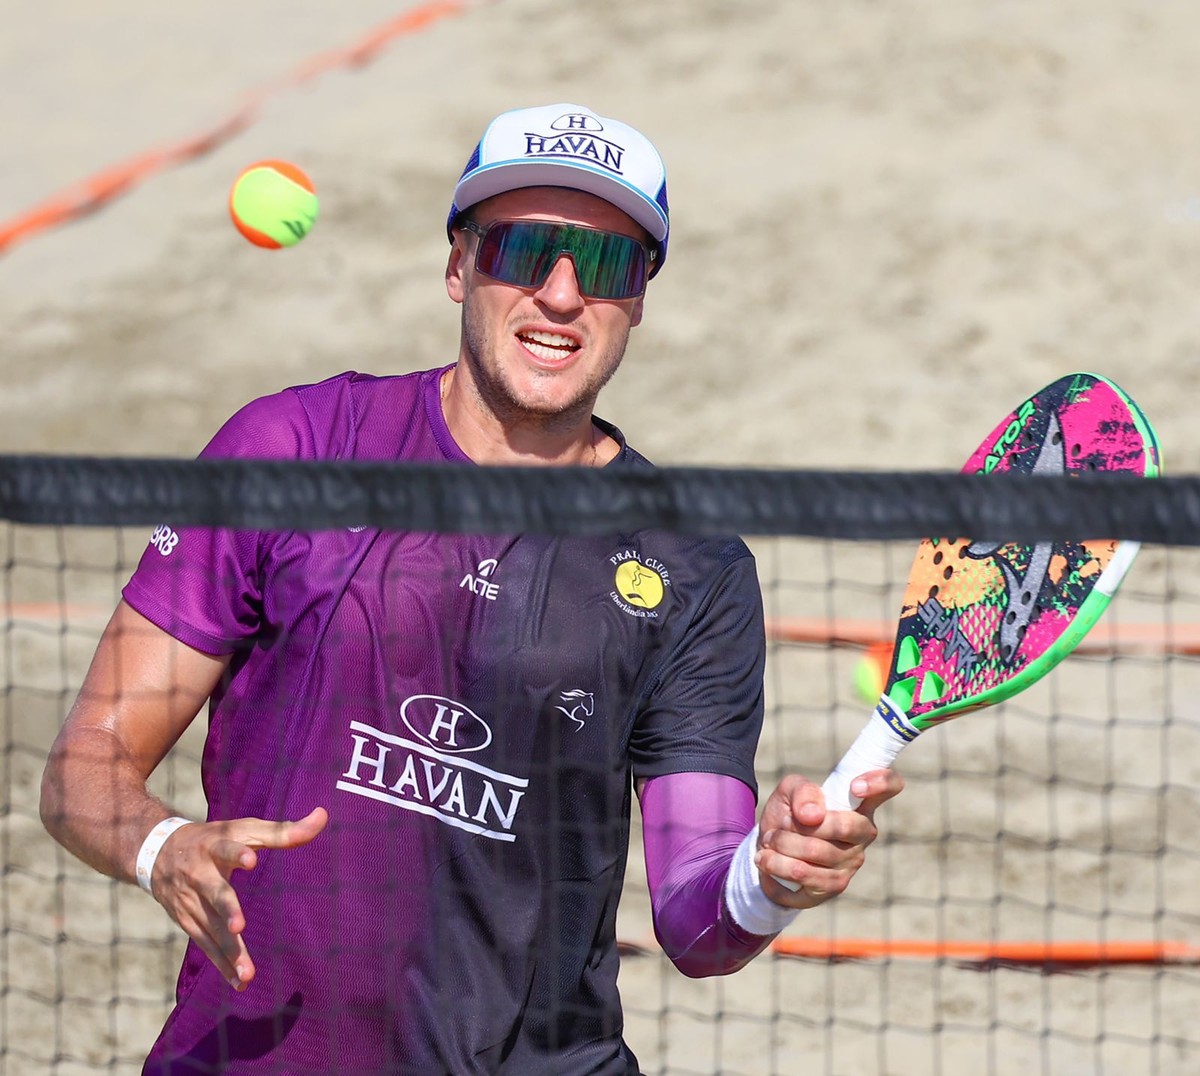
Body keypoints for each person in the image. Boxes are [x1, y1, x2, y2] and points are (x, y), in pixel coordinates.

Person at [40, 102, 903, 1075]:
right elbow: (83, 769)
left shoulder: (693, 566)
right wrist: (161, 845)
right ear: (460, 265)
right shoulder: (293, 450)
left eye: (606, 263)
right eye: (524, 250)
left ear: (640, 298)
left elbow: (698, 925)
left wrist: (768, 877)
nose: (562, 294)